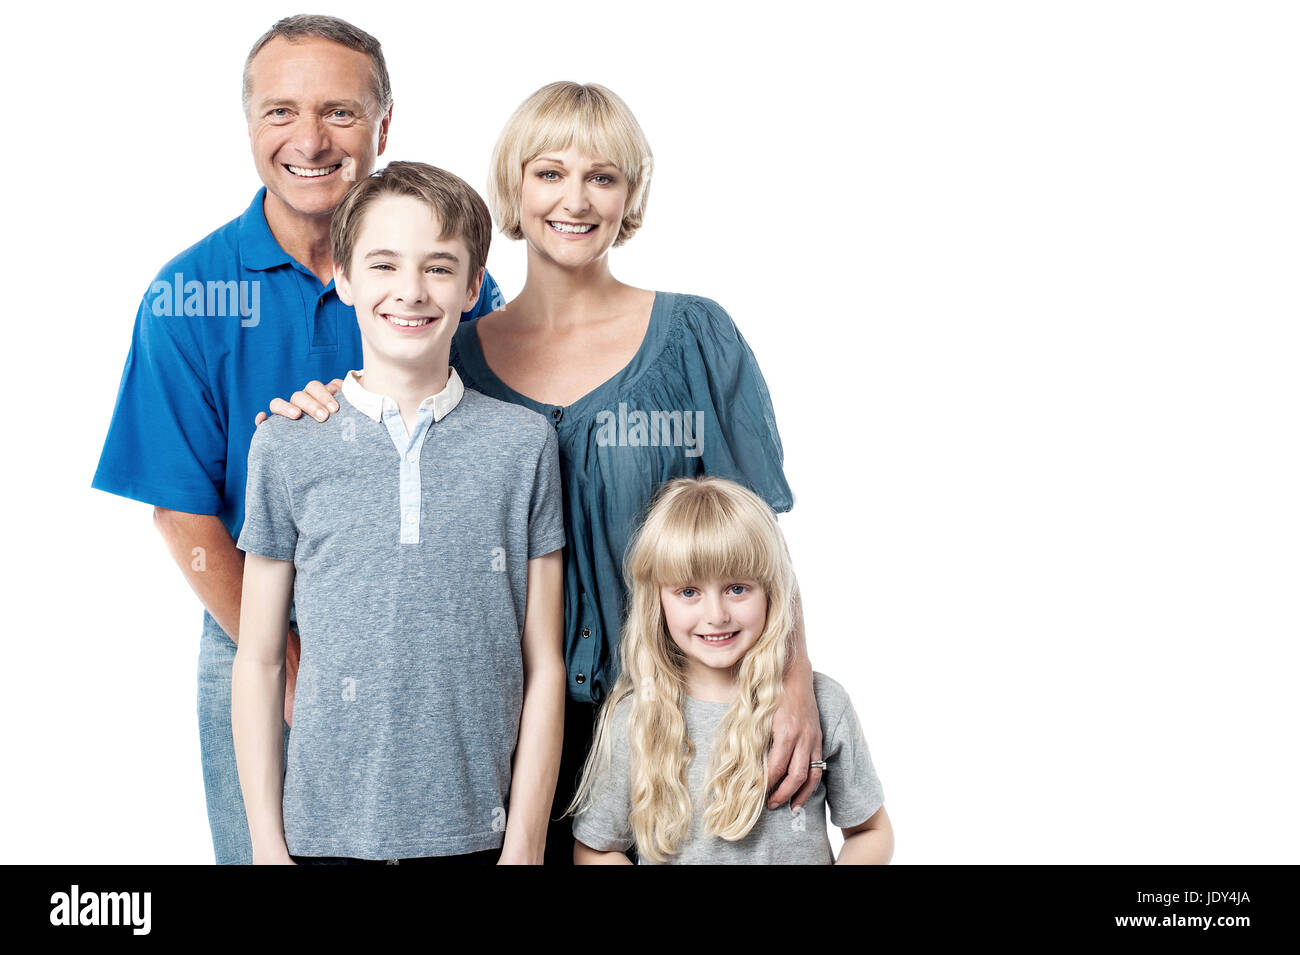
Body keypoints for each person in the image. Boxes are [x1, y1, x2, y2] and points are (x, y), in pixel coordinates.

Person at [260, 81, 824, 866]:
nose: (576, 198)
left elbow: (759, 541)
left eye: (603, 176)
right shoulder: (450, 346)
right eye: (550, 173)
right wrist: (313, 406)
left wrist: (794, 683)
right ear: (515, 188)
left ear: (630, 195)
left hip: (665, 714)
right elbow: (380, 411)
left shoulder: (697, 337)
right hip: (496, 734)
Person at [90, 14, 503, 864]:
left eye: (340, 113)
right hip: (253, 625)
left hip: (425, 627)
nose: (309, 139)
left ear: (385, 125)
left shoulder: (452, 282)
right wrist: (282, 656)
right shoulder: (187, 295)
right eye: (280, 112)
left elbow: (487, 444)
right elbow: (182, 515)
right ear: (248, 125)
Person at [232, 161, 565, 865]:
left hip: (479, 838)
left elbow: (544, 665)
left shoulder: (523, 445)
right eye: (384, 265)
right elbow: (260, 659)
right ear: (344, 278)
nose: (411, 291)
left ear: (473, 287)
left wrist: (526, 844)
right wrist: (266, 846)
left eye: (440, 268)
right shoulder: (286, 445)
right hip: (322, 840)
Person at [568, 477, 892, 864]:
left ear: (772, 589)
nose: (716, 616)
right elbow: (596, 849)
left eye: (737, 588)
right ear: (658, 601)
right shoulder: (634, 717)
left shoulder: (824, 704)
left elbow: (871, 831)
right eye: (689, 592)